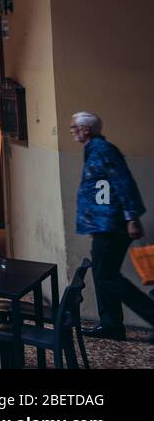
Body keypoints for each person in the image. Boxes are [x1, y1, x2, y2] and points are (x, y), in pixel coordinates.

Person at [72, 111, 154, 343]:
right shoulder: (93, 150)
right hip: (103, 224)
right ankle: (111, 325)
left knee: (106, 276)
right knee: (103, 275)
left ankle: (136, 318)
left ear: (86, 130)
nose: (71, 131)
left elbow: (123, 181)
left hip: (113, 225)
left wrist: (131, 218)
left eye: (74, 127)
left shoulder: (103, 150)